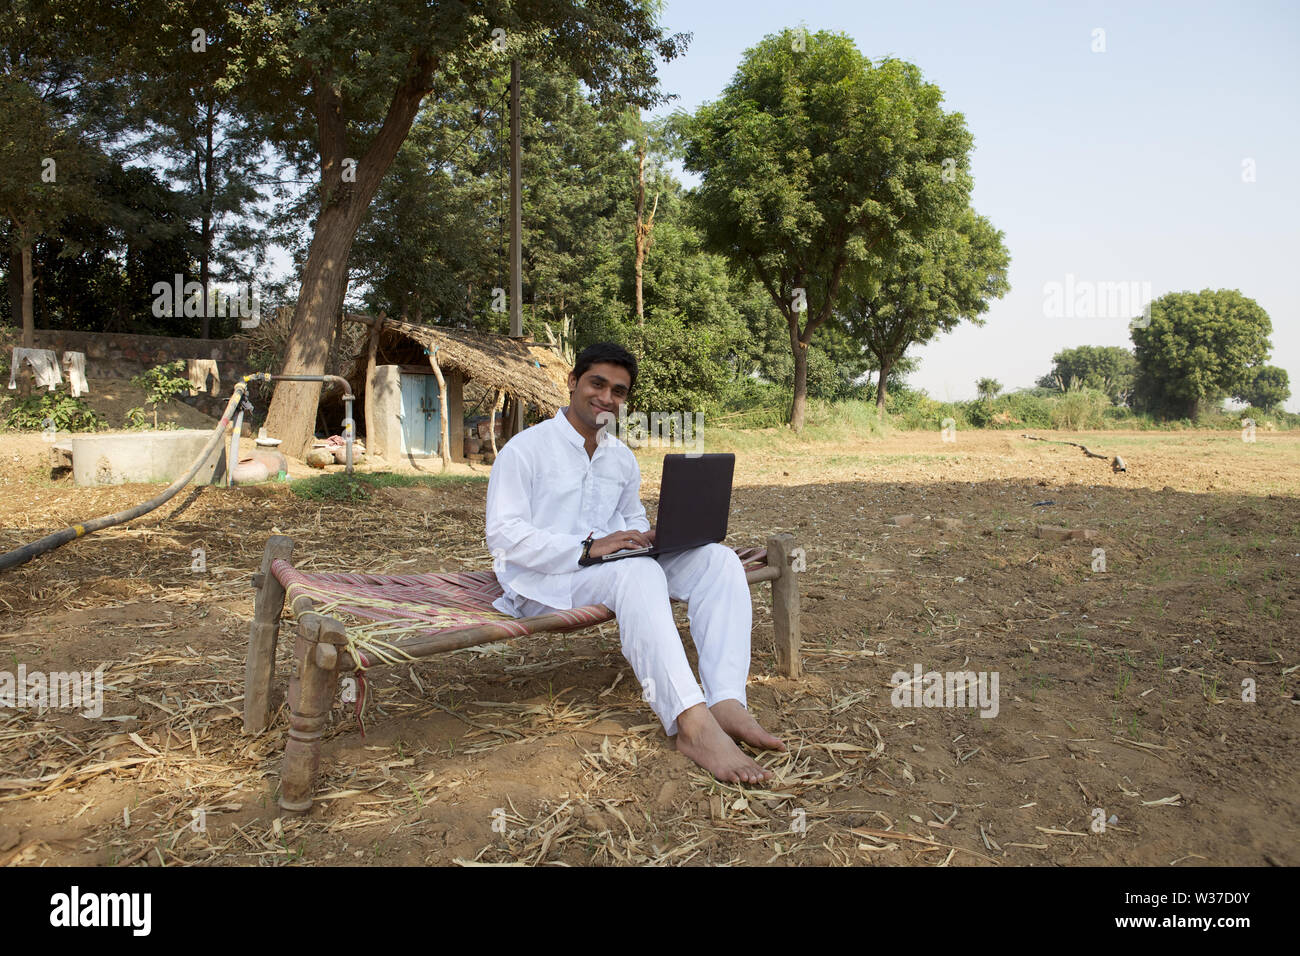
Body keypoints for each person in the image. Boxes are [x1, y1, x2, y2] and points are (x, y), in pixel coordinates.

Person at [485, 342, 785, 784]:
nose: (607, 398)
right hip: (543, 584)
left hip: (614, 570)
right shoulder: (525, 449)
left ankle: (725, 701)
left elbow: (630, 521)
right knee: (638, 572)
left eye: (619, 391)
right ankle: (692, 725)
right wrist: (588, 547)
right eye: (597, 384)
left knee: (718, 561)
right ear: (572, 382)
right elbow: (505, 536)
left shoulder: (621, 458)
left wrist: (648, 537)